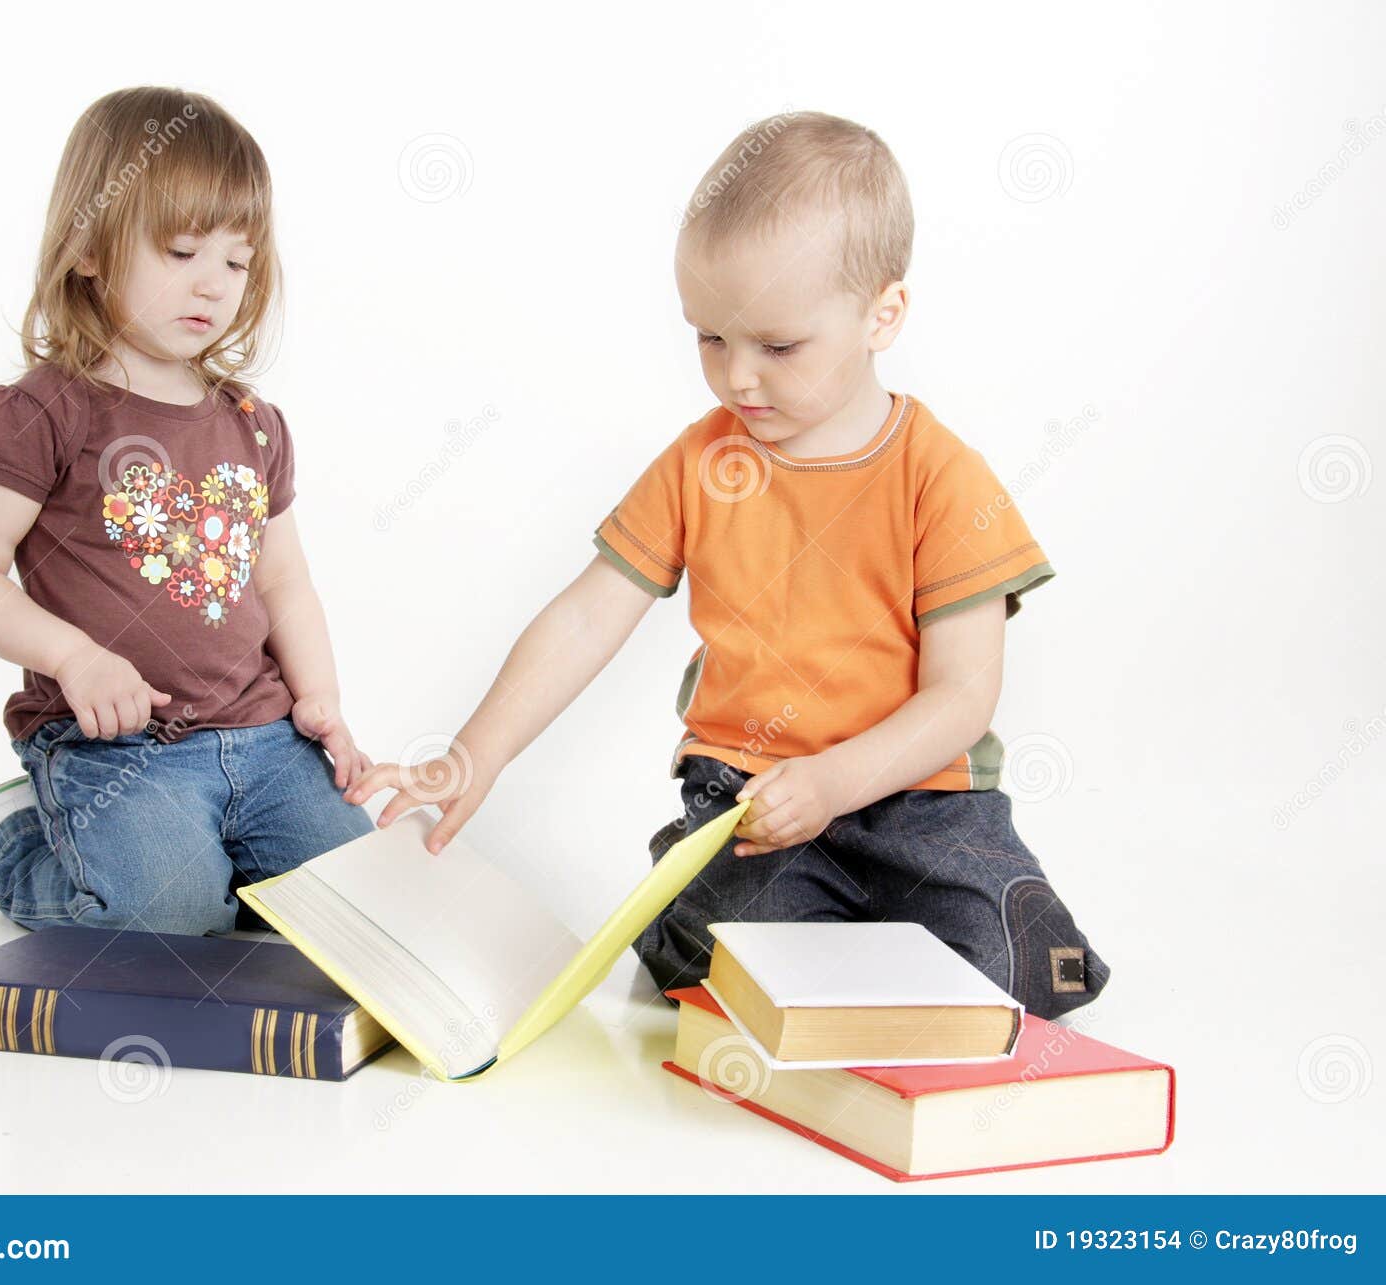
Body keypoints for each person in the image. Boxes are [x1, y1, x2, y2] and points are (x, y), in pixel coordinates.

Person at [349, 111, 1109, 1020]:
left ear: (883, 315)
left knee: (1007, 966)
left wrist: (834, 782)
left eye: (777, 347)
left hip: (924, 803)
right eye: (710, 337)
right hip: (752, 801)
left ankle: (886, 954)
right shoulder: (703, 462)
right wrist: (473, 755)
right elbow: (587, 615)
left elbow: (962, 695)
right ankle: (742, 931)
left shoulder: (942, 477)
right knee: (724, 962)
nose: (737, 378)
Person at [0, 87, 373, 936]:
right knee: (164, 917)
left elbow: (284, 582)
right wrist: (74, 658)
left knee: (358, 913)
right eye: (181, 251)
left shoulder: (252, 424)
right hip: (121, 751)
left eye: (238, 262)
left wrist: (320, 699)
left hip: (266, 740)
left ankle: (221, 861)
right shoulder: (44, 412)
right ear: (89, 249)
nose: (213, 284)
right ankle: (30, 848)